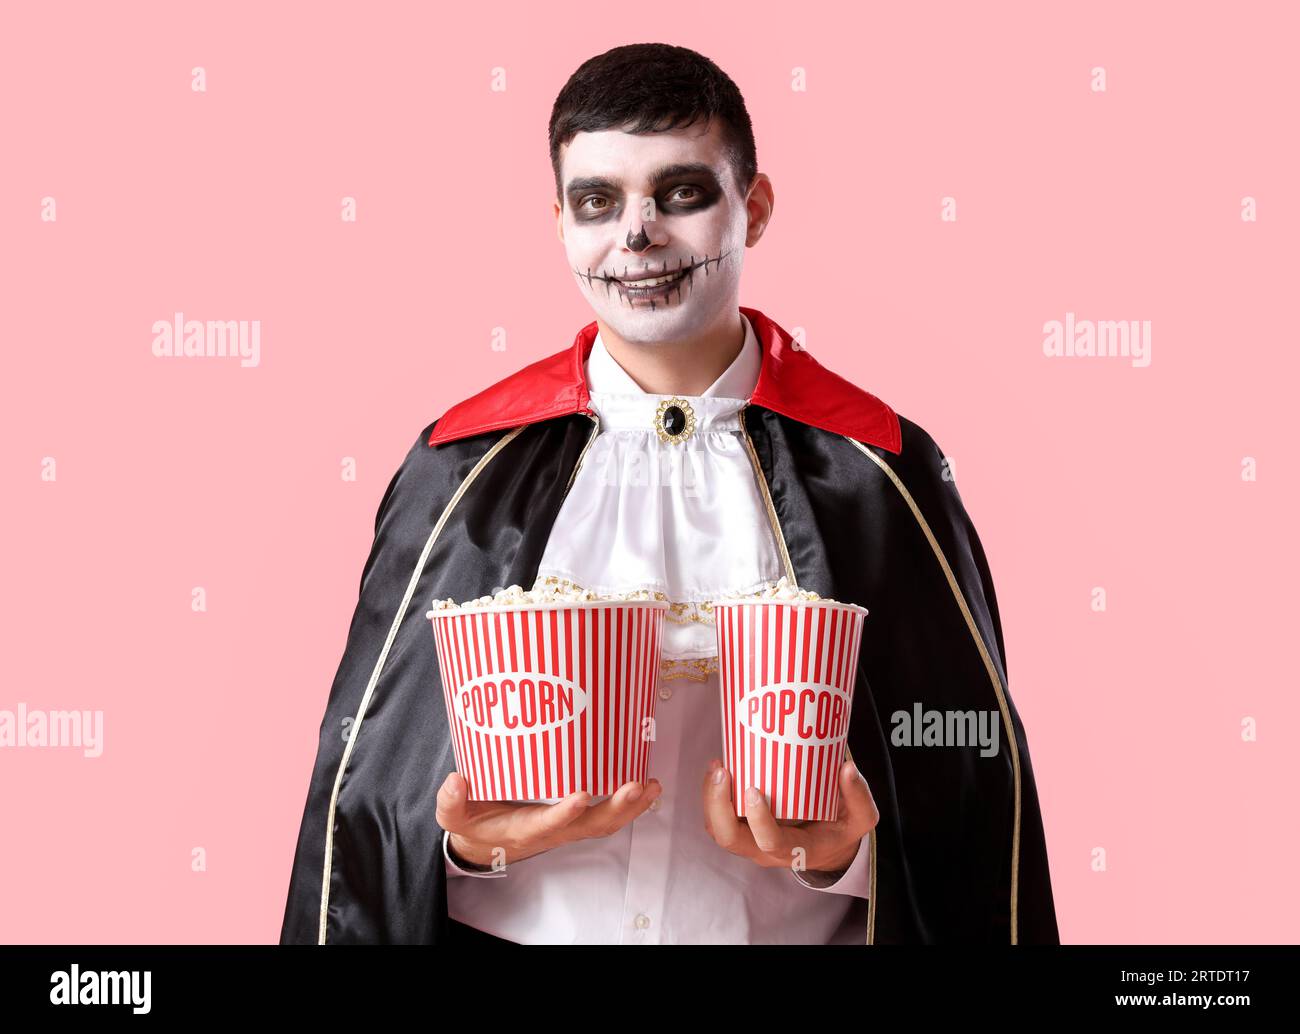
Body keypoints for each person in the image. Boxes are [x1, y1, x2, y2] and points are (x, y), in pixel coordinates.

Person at [279, 42, 1059, 945]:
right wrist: (465, 847)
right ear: (561, 222)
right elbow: (369, 786)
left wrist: (849, 855)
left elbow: (966, 787)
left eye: (681, 192)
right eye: (597, 201)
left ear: (753, 209)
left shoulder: (878, 467)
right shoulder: (463, 466)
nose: (636, 233)